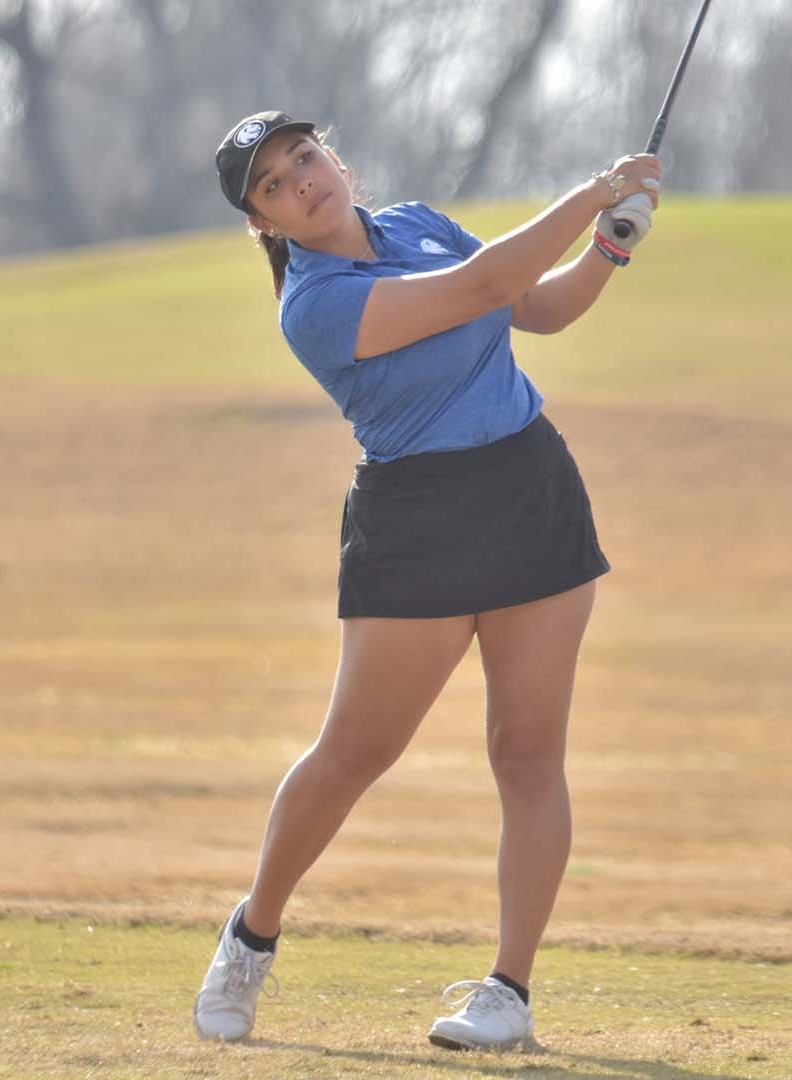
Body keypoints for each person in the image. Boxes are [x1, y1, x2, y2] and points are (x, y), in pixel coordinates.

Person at [192, 110, 662, 1050]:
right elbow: (484, 283)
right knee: (353, 754)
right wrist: (592, 191)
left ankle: (509, 994)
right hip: (419, 522)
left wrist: (610, 246)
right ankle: (252, 936)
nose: (303, 183)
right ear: (266, 225)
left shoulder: (417, 222)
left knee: (527, 754)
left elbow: (537, 305)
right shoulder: (313, 305)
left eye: (304, 158)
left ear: (334, 156)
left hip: (531, 489)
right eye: (275, 187)